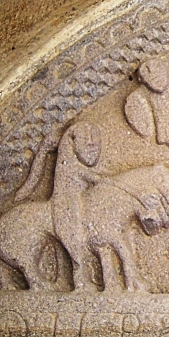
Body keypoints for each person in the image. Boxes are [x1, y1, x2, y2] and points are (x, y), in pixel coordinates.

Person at [50, 122, 104, 291]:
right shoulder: (68, 165)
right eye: (85, 140)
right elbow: (93, 178)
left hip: (81, 203)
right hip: (68, 206)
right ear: (72, 144)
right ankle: (81, 277)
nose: (90, 143)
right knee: (76, 237)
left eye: (94, 140)